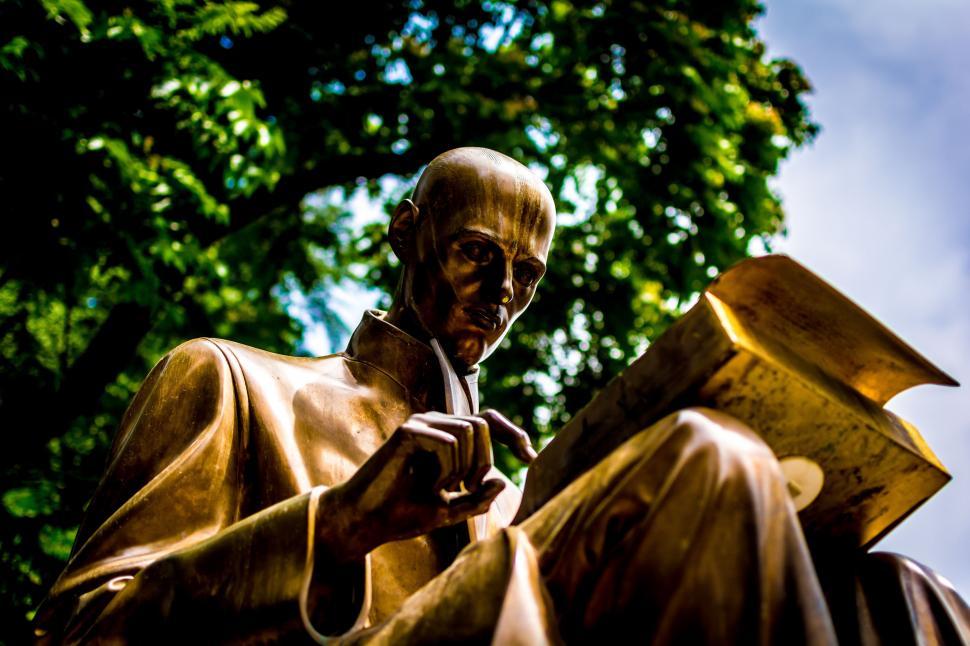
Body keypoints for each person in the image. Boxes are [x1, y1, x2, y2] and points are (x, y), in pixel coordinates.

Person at [34, 148, 970, 644]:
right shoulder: (233, 381)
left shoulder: (525, 500)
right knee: (706, 459)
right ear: (407, 233)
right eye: (478, 253)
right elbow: (80, 634)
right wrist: (343, 523)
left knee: (899, 597)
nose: (502, 296)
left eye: (526, 276)